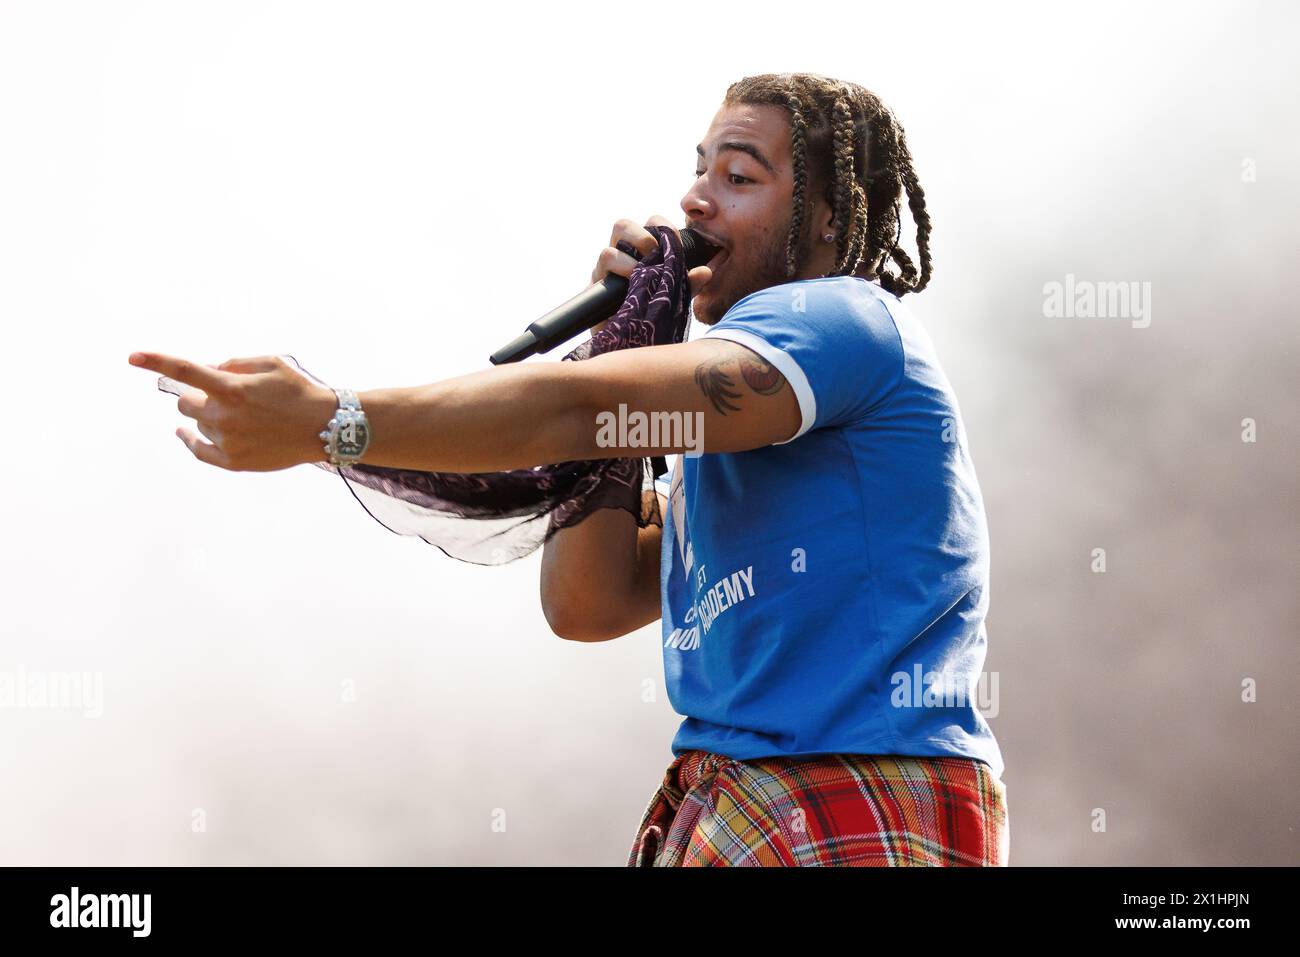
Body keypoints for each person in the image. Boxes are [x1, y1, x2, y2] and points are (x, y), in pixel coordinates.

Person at [128, 71, 1008, 867]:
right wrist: (623, 338)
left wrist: (333, 421)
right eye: (698, 171)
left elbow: (577, 409)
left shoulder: (838, 321)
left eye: (739, 178)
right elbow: (586, 601)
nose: (697, 202)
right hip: (744, 791)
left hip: (846, 792)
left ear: (825, 218)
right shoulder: (727, 439)